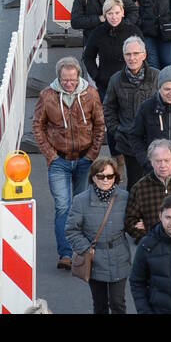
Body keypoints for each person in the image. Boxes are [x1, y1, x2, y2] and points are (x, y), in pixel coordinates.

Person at [32, 57, 106, 271]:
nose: (69, 84)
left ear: (78, 77)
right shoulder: (47, 96)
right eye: (65, 80)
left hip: (84, 159)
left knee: (80, 205)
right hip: (59, 161)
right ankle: (65, 253)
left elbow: (100, 125)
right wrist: (50, 155)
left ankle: (81, 250)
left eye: (72, 79)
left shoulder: (91, 94)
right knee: (63, 206)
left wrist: (92, 154)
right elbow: (38, 126)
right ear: (58, 77)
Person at [66, 157, 131, 315]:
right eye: (101, 176)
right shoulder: (80, 201)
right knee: (100, 304)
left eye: (110, 176)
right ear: (93, 177)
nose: (105, 180)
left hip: (119, 256)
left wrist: (139, 225)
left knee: (118, 303)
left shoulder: (125, 197)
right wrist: (86, 249)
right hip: (95, 259)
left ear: (115, 177)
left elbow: (132, 221)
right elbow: (71, 230)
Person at [103, 37, 160, 189]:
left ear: (144, 55)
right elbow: (108, 108)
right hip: (129, 143)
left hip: (155, 143)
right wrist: (117, 131)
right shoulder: (115, 80)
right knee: (134, 186)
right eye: (128, 54)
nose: (132, 58)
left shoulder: (157, 77)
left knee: (156, 186)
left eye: (136, 53)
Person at [82, 0, 144, 101]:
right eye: (110, 13)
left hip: (131, 84)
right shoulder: (98, 33)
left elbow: (144, 55)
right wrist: (97, 76)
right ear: (105, 15)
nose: (114, 17)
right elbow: (88, 57)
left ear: (122, 13)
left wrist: (139, 76)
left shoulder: (133, 31)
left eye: (117, 13)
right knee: (108, 115)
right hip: (106, 85)